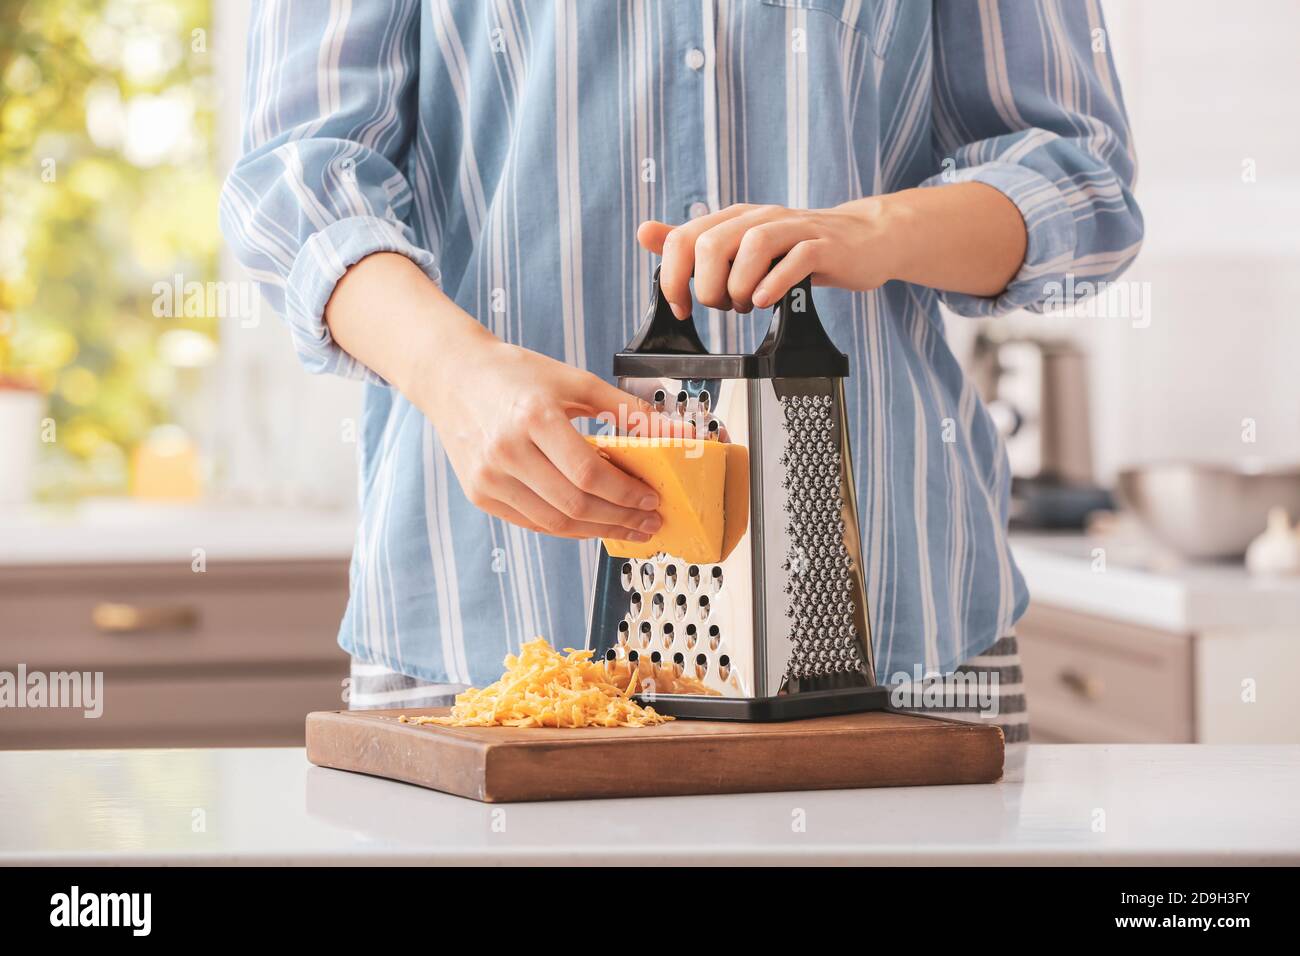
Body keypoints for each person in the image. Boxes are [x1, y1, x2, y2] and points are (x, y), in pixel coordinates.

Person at [221, 1, 1142, 758]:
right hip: (479, 647)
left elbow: (1081, 176)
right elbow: (293, 180)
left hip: (910, 643)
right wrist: (450, 371)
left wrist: (879, 229)